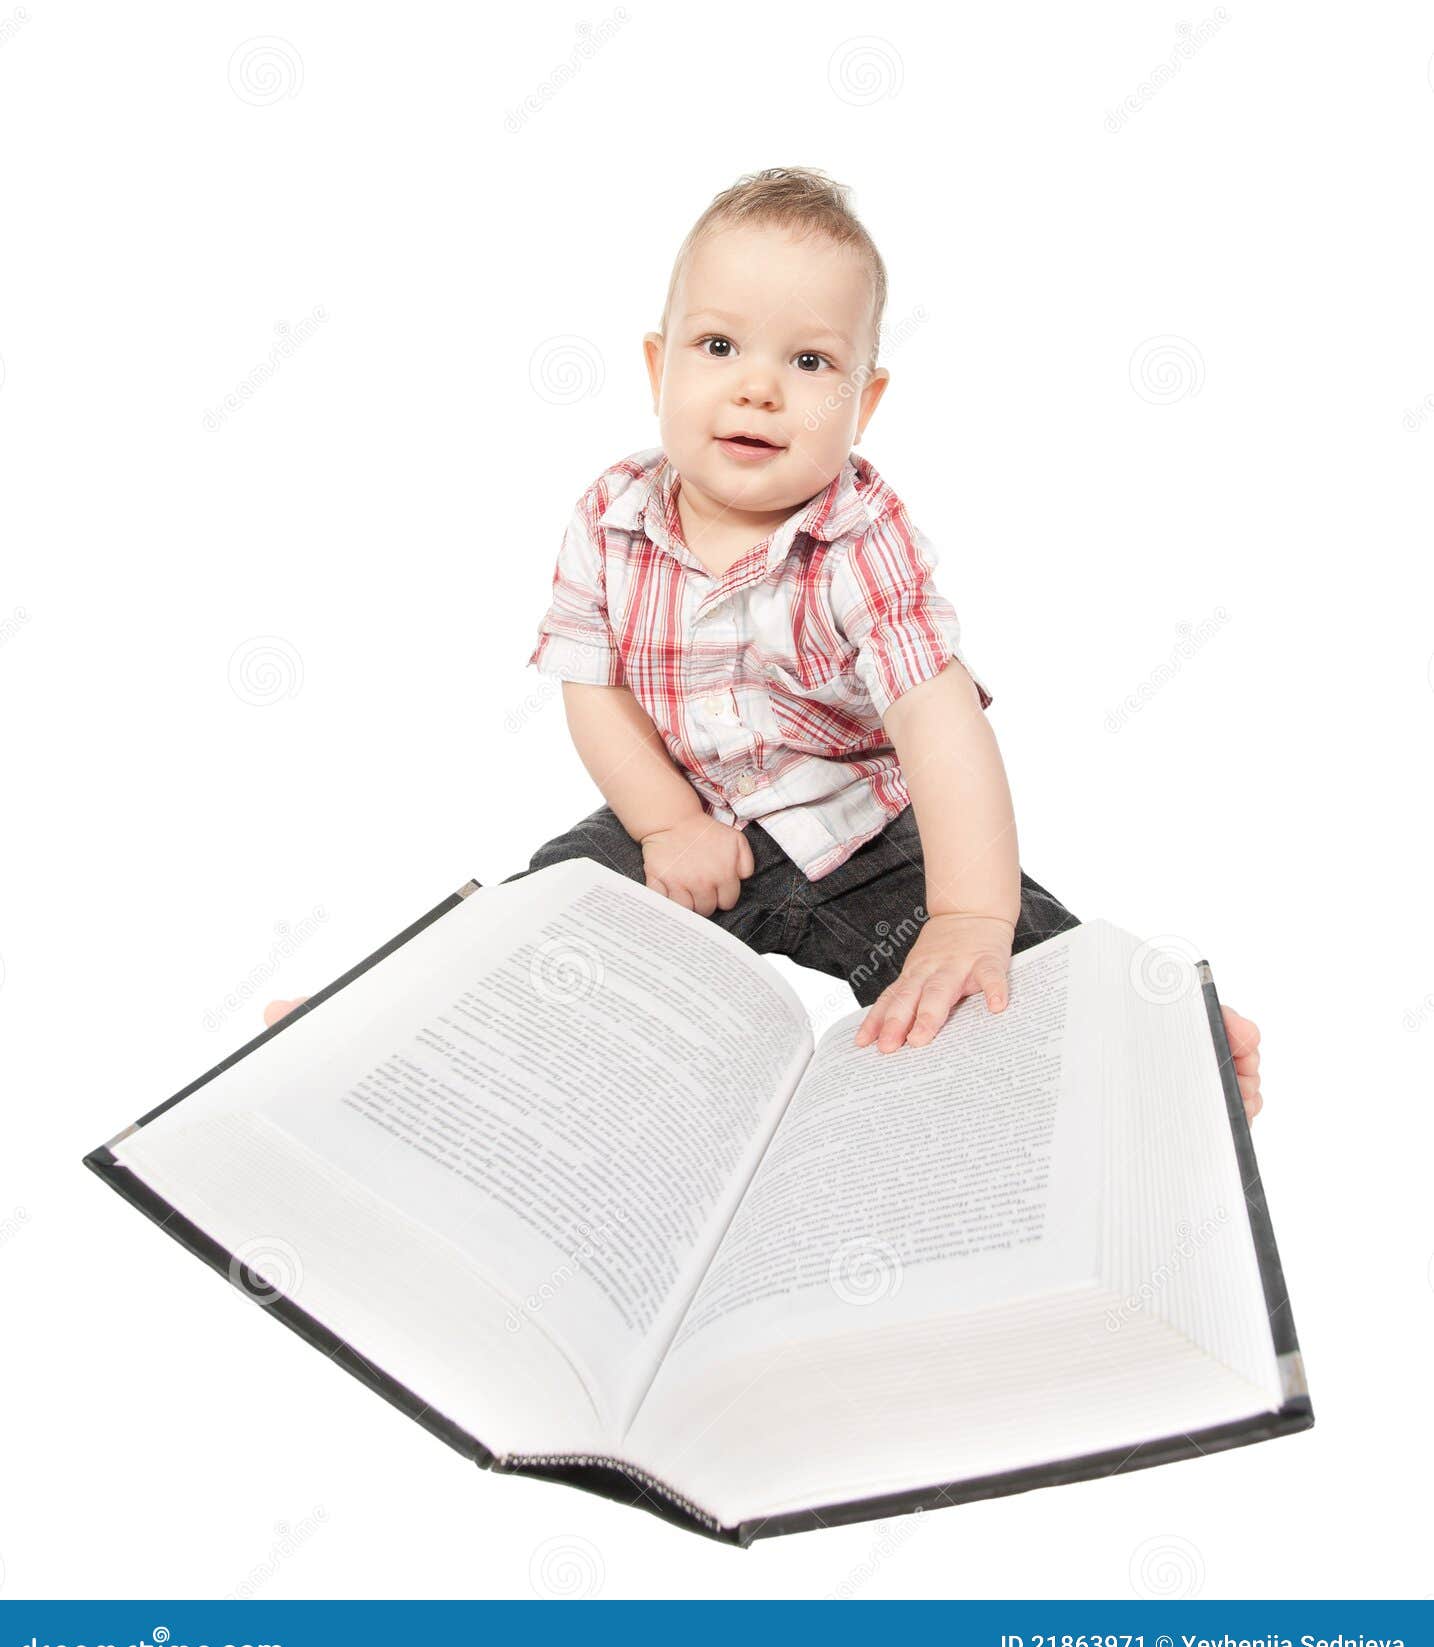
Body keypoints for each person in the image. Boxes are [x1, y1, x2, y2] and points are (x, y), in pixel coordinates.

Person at [268, 166, 1262, 1121]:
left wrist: (966, 913)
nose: (757, 390)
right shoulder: (610, 513)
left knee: (1002, 968)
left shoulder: (861, 536)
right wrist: (662, 822)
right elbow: (592, 684)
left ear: (864, 403)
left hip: (857, 836)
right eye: (717, 348)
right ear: (659, 367)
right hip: (683, 820)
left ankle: (1161, 1054)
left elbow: (935, 712)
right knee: (545, 915)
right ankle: (371, 1037)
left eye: (810, 362)